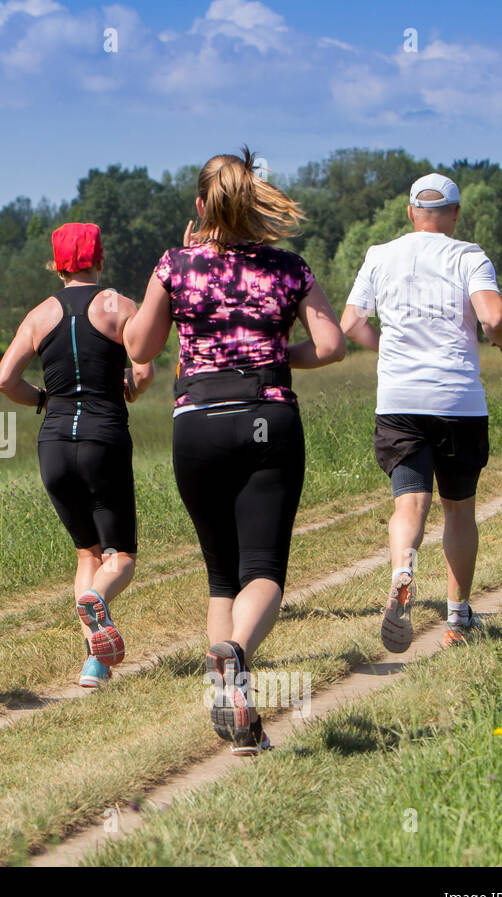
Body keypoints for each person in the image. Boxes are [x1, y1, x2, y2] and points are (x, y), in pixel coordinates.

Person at [125, 149, 345, 755]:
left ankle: (234, 715)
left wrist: (165, 280)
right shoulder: (288, 267)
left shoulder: (176, 264)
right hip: (267, 419)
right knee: (265, 569)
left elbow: (140, 345)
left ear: (201, 206)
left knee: (222, 573)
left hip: (196, 423)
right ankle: (236, 655)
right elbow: (331, 346)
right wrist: (276, 356)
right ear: (253, 204)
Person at [339, 173, 502, 652]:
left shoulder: (379, 255)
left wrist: (385, 350)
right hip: (457, 402)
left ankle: (402, 568)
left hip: (399, 400)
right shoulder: (468, 256)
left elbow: (351, 322)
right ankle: (458, 619)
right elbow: (493, 317)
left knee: (408, 503)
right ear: (456, 214)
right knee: (458, 509)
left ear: (410, 212)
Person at [0, 222, 155, 689]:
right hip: (103, 440)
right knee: (119, 556)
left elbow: (4, 380)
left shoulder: (38, 314)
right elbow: (142, 372)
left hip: (55, 445)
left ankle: (93, 664)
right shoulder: (119, 306)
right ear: (99, 259)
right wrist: (130, 388)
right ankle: (99, 599)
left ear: (57, 263)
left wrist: (43, 399)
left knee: (86, 550)